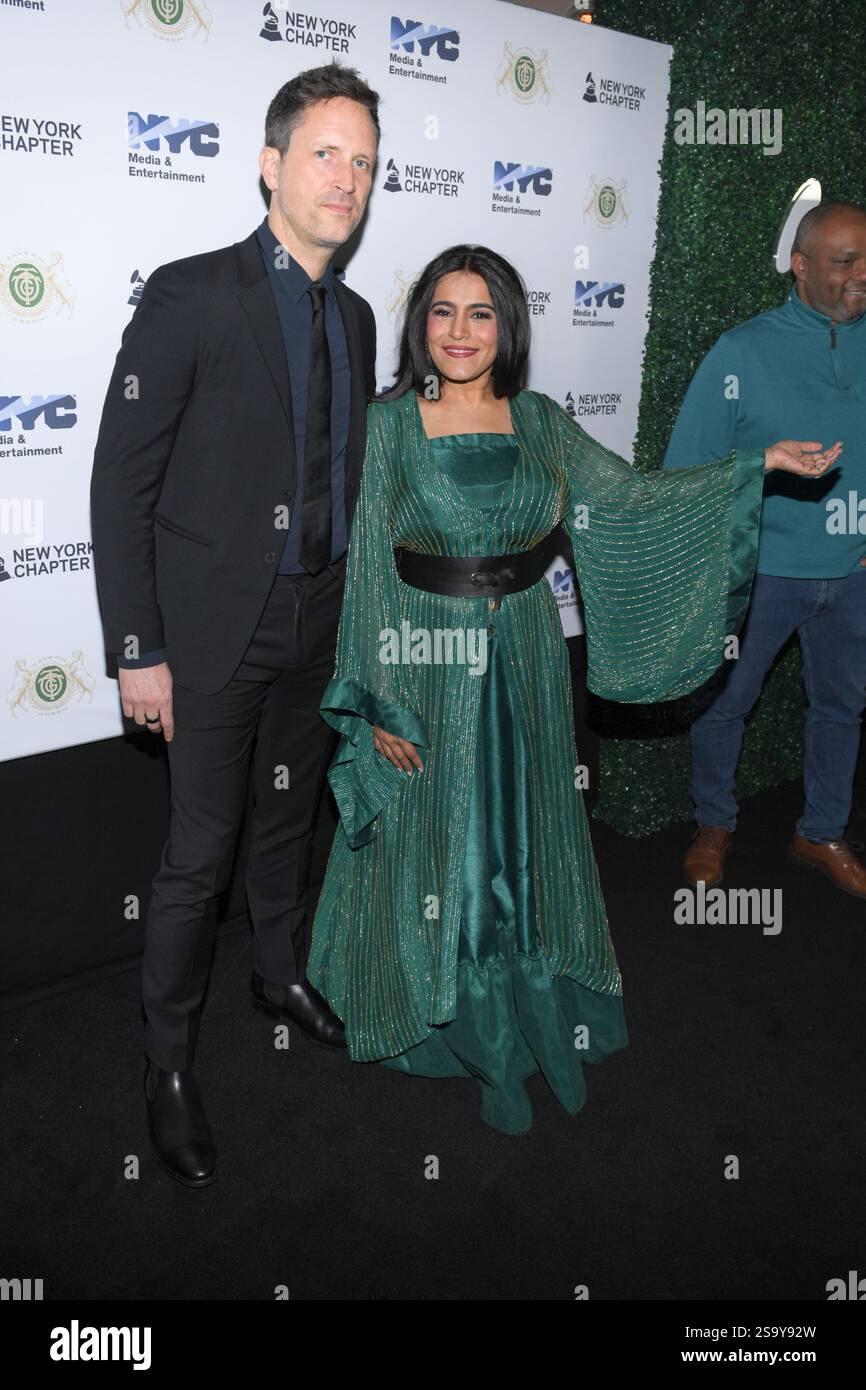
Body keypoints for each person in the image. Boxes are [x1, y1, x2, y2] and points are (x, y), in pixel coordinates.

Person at [305, 244, 838, 1135]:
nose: (461, 331)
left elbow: (630, 502)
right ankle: (445, 1009)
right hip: (423, 658)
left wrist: (754, 468)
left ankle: (531, 997)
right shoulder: (389, 426)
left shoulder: (542, 422)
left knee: (521, 835)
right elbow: (368, 571)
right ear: (419, 323)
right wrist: (378, 702)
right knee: (448, 840)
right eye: (443, 311)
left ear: (506, 326)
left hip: (522, 650)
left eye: (481, 313)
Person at [90, 63, 380, 1187]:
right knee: (194, 856)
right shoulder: (190, 293)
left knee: (284, 822)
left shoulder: (354, 315)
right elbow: (124, 483)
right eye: (324, 153)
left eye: (362, 162)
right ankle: (166, 1065)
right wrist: (137, 646)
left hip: (319, 620)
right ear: (270, 164)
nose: (345, 178)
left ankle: (277, 971)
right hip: (209, 634)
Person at [663, 200, 866, 897]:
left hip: (854, 573)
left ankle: (820, 831)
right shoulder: (741, 352)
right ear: (801, 267)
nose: (861, 276)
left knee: (842, 706)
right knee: (726, 706)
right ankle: (713, 824)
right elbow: (688, 467)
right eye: (845, 262)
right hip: (760, 575)